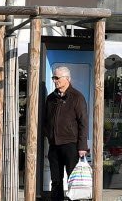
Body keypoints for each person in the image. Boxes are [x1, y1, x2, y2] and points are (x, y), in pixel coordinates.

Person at [41, 66, 89, 201]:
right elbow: (45, 120)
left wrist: (82, 147)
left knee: (72, 179)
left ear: (67, 79)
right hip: (54, 145)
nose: (55, 80)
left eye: (57, 78)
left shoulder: (77, 97)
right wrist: (48, 133)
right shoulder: (51, 98)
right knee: (55, 180)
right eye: (53, 78)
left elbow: (83, 123)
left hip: (70, 145)